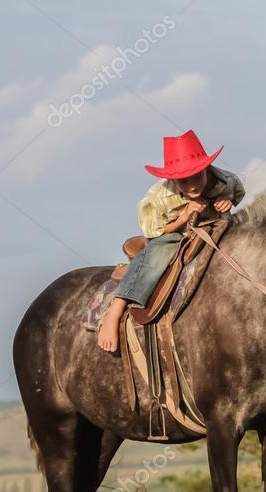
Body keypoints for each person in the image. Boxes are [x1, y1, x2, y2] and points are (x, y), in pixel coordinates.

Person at [97, 129, 245, 352]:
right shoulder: (157, 197)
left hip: (215, 225)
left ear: (207, 169)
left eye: (198, 176)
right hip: (172, 233)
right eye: (184, 182)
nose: (193, 186)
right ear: (173, 180)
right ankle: (116, 309)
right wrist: (183, 218)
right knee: (156, 256)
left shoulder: (225, 180)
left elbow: (237, 193)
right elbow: (153, 230)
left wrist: (227, 200)